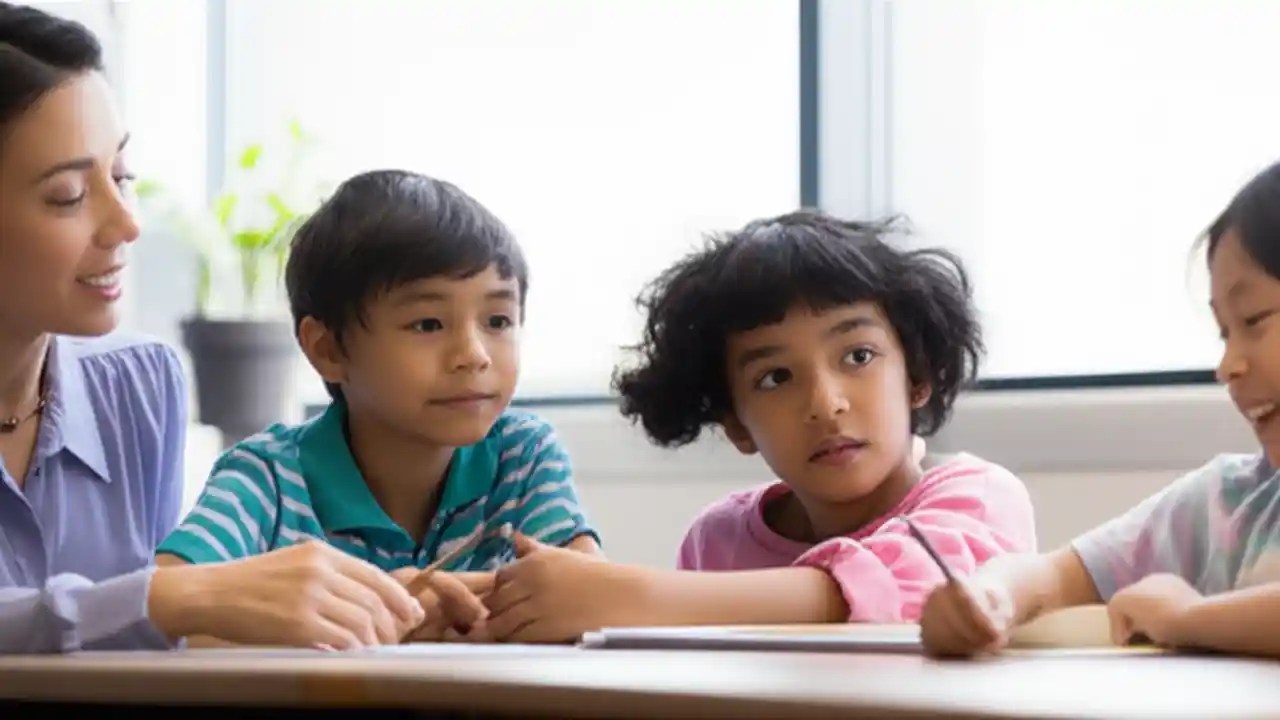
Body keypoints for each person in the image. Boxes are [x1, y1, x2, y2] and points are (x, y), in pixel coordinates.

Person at [0, 3, 432, 653]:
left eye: (122, 176)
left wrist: (375, 609)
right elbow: (160, 608)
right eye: (68, 195)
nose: (127, 224)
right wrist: (175, 594)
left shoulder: (139, 385)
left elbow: (150, 649)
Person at [474, 210, 1035, 643]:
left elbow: (908, 590)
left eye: (858, 356)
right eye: (775, 378)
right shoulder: (718, 541)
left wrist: (623, 594)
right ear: (734, 422)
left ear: (917, 374)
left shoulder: (979, 498)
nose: (825, 402)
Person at [155, 170, 601, 647]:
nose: (474, 354)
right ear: (328, 349)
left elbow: (593, 597)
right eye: (428, 324)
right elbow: (160, 603)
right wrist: (360, 616)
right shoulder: (268, 477)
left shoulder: (523, 456)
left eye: (498, 320)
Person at [919, 160, 1280, 660]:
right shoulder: (1231, 502)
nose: (1227, 366)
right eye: (1224, 332)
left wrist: (1187, 619)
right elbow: (1054, 574)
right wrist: (988, 596)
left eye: (1254, 320)